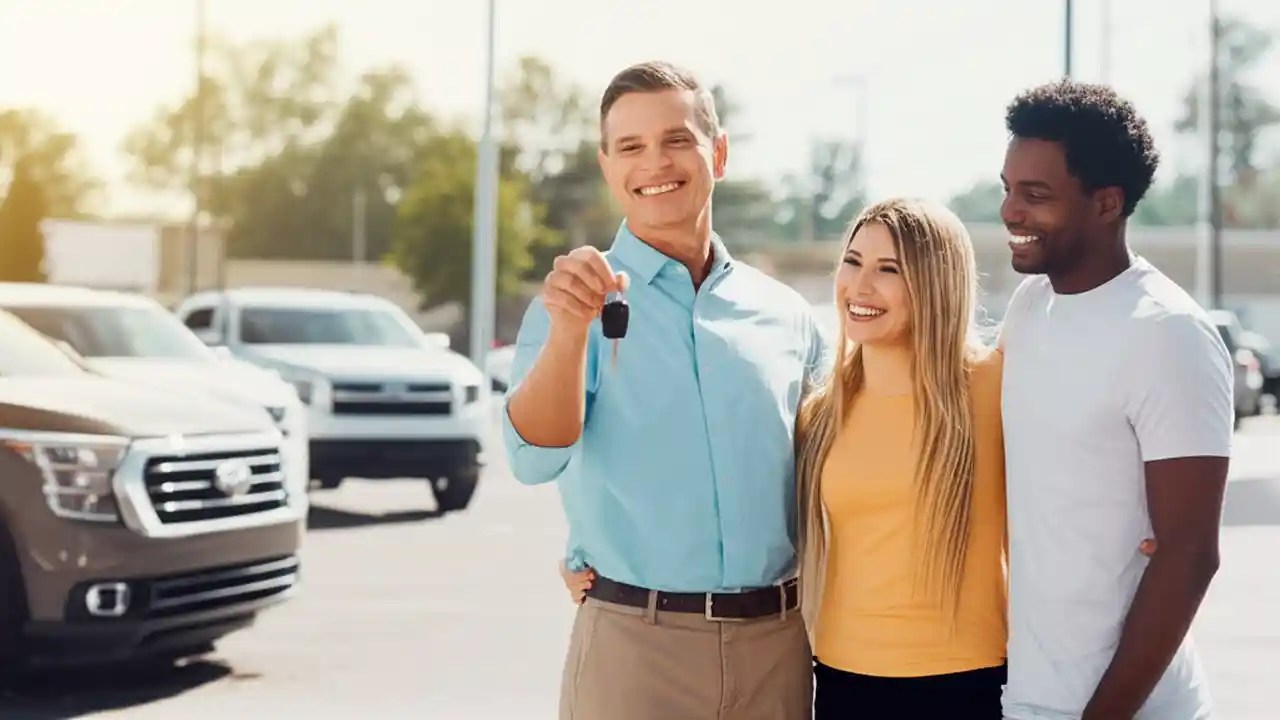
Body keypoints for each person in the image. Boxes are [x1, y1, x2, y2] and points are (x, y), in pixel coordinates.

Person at [502, 60, 827, 720]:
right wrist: (570, 331)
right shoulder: (572, 300)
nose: (656, 162)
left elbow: (826, 476)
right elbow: (532, 458)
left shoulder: (787, 315)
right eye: (631, 146)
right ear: (607, 166)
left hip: (780, 649)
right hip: (634, 650)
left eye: (677, 139)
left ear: (720, 152)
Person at [997, 79, 1234, 719]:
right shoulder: (1030, 307)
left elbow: (1189, 554)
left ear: (1106, 203)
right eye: (1008, 189)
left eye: (1036, 194)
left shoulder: (1168, 334)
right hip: (1029, 696)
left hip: (1131, 708)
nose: (1011, 212)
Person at [794, 198, 1010, 718]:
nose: (860, 286)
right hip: (844, 680)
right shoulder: (822, 410)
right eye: (853, 262)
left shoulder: (995, 388)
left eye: (888, 270)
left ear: (935, 283)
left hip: (967, 682)